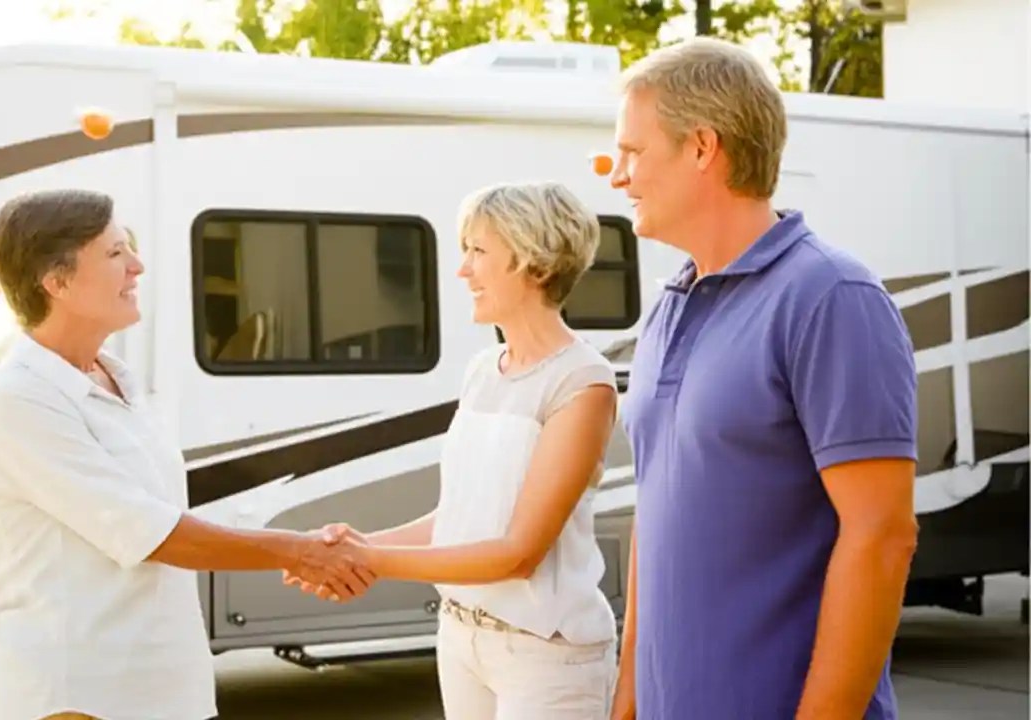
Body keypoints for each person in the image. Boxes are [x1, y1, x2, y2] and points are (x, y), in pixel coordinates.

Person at [0, 189, 374, 720]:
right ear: (56, 282)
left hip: (162, 691)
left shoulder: (118, 383)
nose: (137, 265)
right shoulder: (13, 400)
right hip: (76, 697)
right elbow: (149, 531)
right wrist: (295, 551)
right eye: (114, 253)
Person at [604, 38, 919, 720]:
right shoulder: (667, 309)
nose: (617, 176)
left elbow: (881, 535)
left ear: (702, 148)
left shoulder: (832, 296)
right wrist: (627, 701)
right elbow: (653, 520)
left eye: (633, 152)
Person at [289, 181, 622, 719]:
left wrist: (367, 560)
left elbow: (518, 552)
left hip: (547, 655)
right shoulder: (481, 372)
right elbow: (462, 516)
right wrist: (353, 544)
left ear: (535, 265)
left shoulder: (582, 383)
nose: (462, 270)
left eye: (478, 252)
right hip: (461, 636)